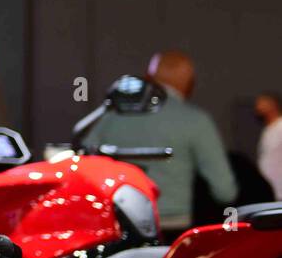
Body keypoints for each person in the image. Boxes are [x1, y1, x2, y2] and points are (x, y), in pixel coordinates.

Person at [91, 50, 238, 239]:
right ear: (190, 84)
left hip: (117, 226)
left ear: (148, 77)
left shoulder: (109, 116)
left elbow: (85, 161)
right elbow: (225, 192)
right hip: (172, 229)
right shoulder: (197, 121)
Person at [254, 91, 282, 200]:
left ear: (272, 105)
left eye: (261, 103)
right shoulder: (268, 129)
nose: (257, 107)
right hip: (271, 192)